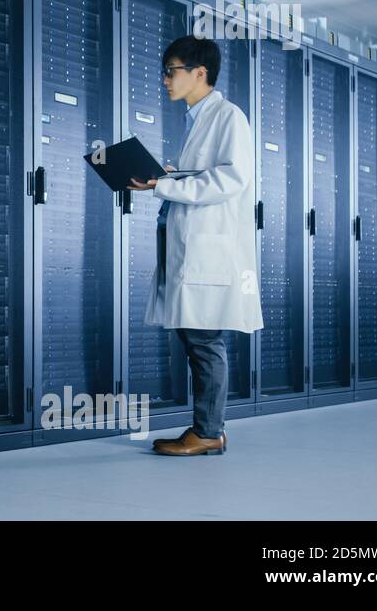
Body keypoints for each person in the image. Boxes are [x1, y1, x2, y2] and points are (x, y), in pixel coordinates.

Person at [128, 35, 262, 456]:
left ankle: (208, 432)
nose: (165, 80)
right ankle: (207, 428)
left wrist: (168, 183)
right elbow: (206, 176)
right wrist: (171, 178)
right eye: (165, 72)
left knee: (204, 342)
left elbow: (231, 179)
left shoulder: (228, 117)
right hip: (187, 247)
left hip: (209, 253)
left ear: (199, 73)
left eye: (172, 71)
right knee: (196, 340)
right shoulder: (197, 119)